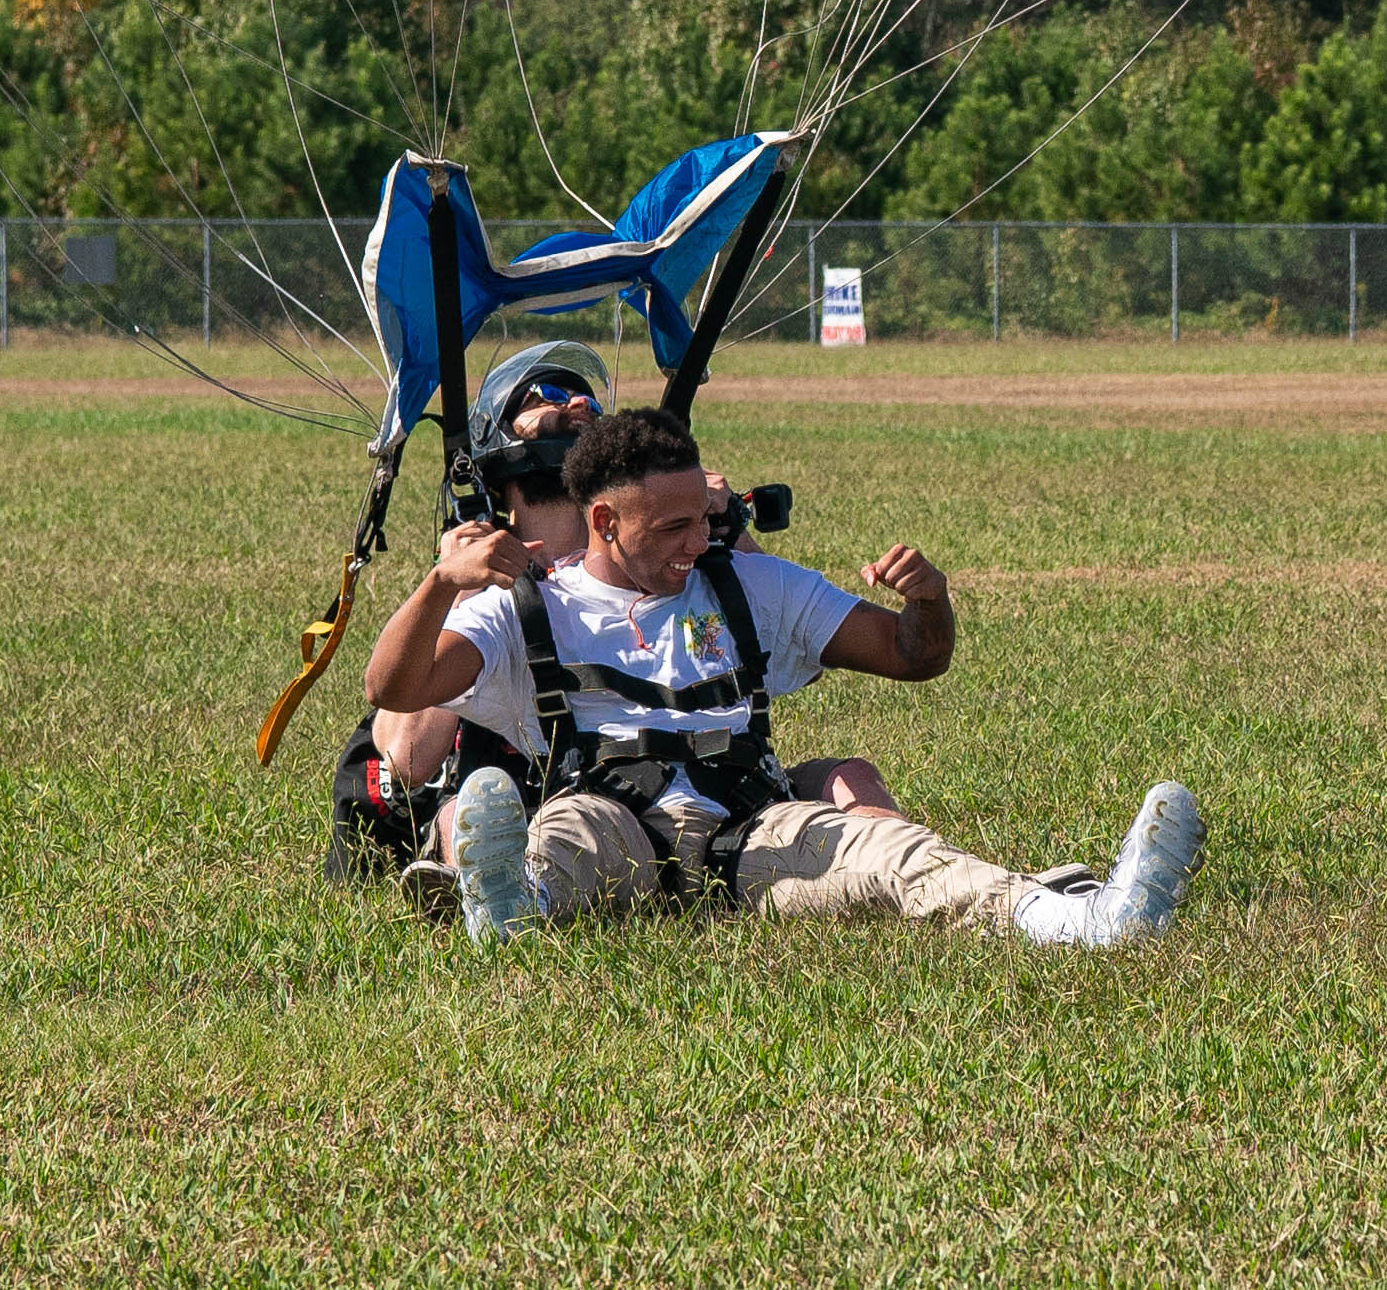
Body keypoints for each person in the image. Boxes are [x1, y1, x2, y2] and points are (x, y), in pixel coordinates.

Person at [363, 403, 1205, 947]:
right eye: (673, 528)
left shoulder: (753, 586)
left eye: (701, 519)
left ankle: (1087, 920)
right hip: (609, 823)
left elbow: (912, 658)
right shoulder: (526, 606)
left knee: (895, 856)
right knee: (561, 843)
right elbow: (393, 690)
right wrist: (440, 585)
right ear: (605, 520)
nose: (700, 540)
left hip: (751, 833)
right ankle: (510, 912)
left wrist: (928, 601)